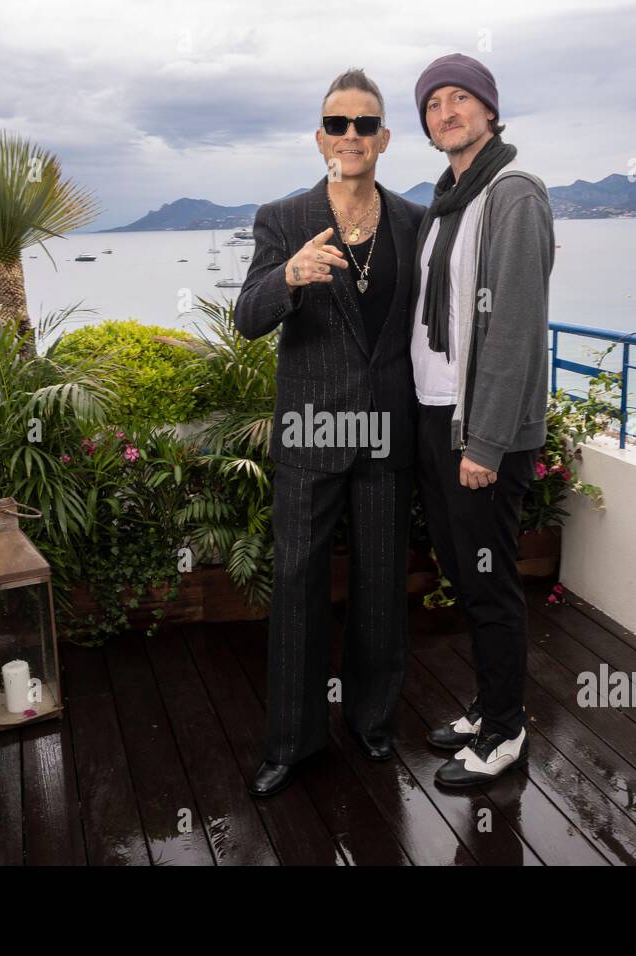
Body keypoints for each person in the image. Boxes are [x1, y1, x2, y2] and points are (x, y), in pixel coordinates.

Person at [234, 68, 426, 797]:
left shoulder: (412, 219)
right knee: (297, 583)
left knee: (382, 588)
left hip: (384, 430)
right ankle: (292, 740)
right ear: (321, 137)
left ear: (383, 137)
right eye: (339, 125)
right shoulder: (283, 218)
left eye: (365, 125)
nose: (352, 137)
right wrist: (289, 275)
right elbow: (247, 319)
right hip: (312, 428)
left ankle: (374, 725)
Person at [409, 53, 556, 787]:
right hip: (441, 419)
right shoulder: (447, 203)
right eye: (433, 104)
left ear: (490, 112)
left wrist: (487, 442)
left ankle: (504, 733)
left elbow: (517, 330)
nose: (446, 113)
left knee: (490, 583)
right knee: (465, 577)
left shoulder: (512, 193)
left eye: (460, 98)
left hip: (480, 433)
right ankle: (489, 704)